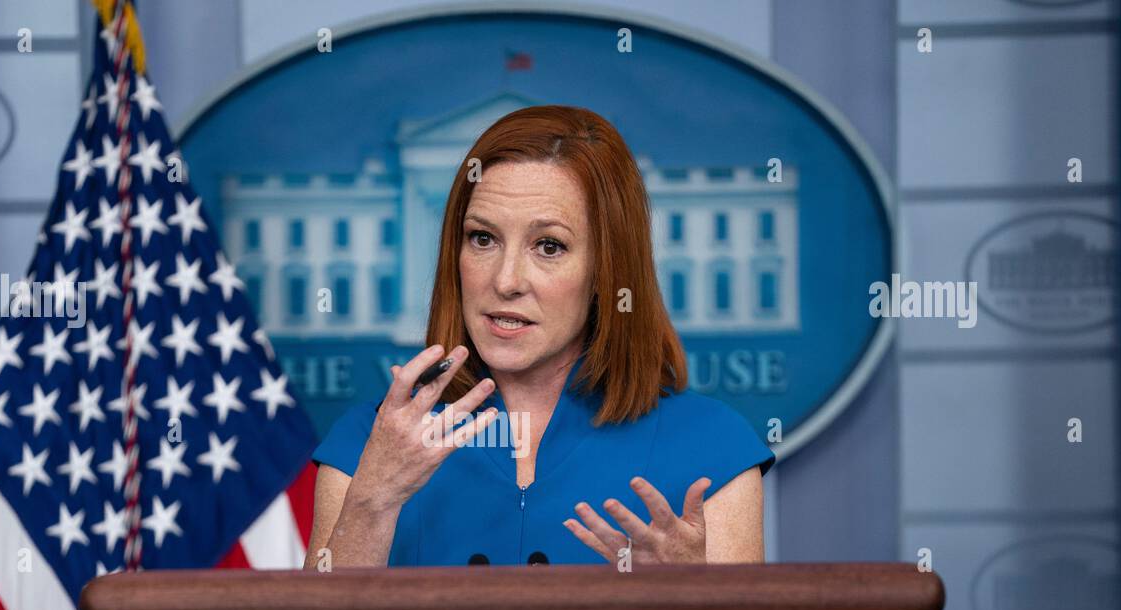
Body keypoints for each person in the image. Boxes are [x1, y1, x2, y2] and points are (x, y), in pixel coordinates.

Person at [305, 105, 774, 569]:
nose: (506, 280)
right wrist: (370, 505)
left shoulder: (713, 446)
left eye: (549, 246)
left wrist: (694, 600)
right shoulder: (366, 442)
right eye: (482, 238)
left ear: (606, 272)